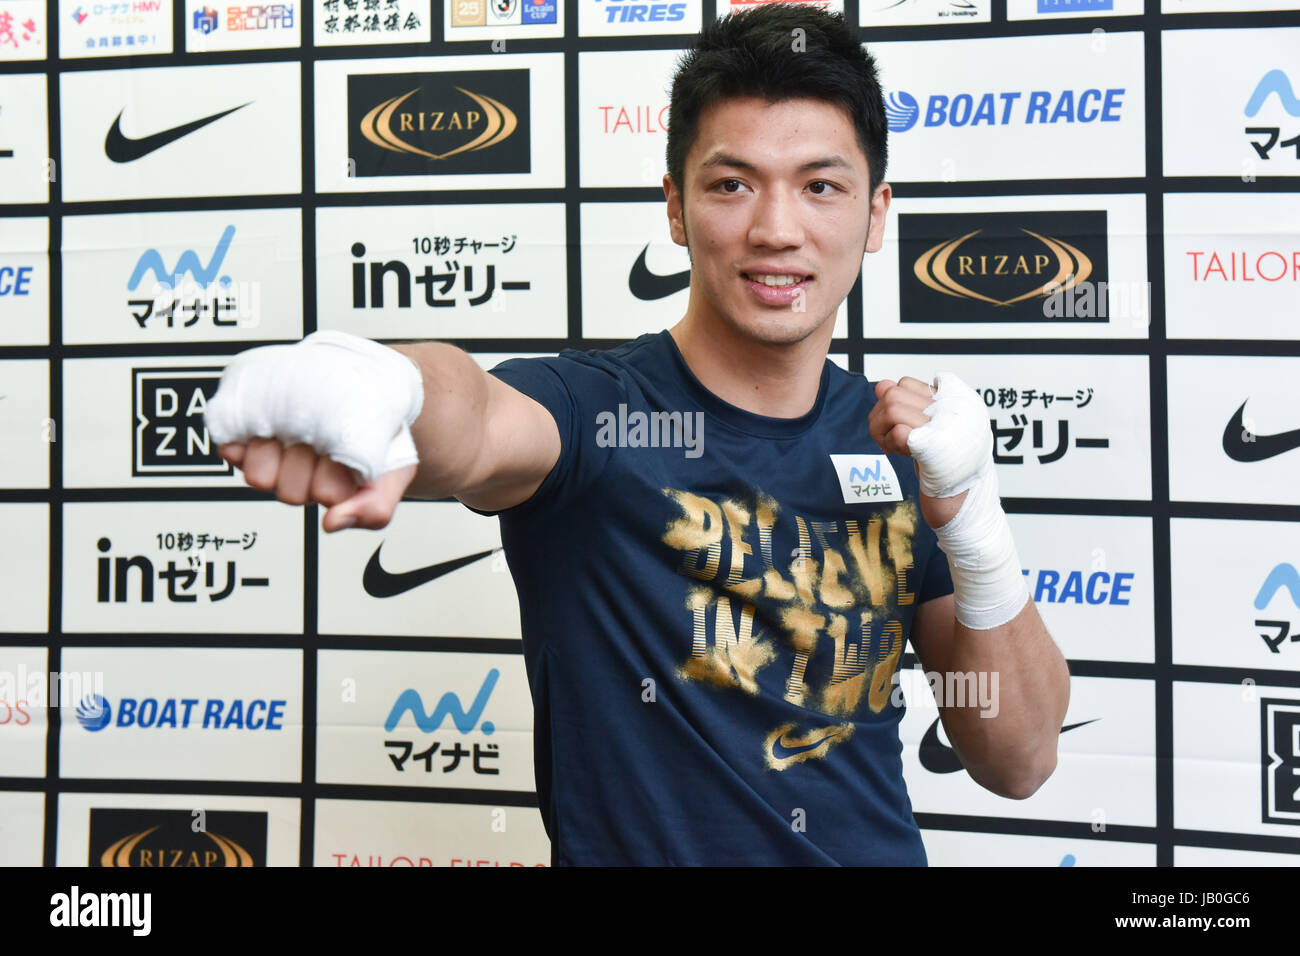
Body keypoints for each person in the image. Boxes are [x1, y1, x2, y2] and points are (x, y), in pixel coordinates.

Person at [206, 5, 1070, 865]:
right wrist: (387, 384)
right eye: (732, 183)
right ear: (676, 207)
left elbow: (1019, 759)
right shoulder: (595, 410)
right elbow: (472, 417)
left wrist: (971, 520)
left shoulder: (898, 443)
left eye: (821, 185)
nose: (776, 227)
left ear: (875, 215)